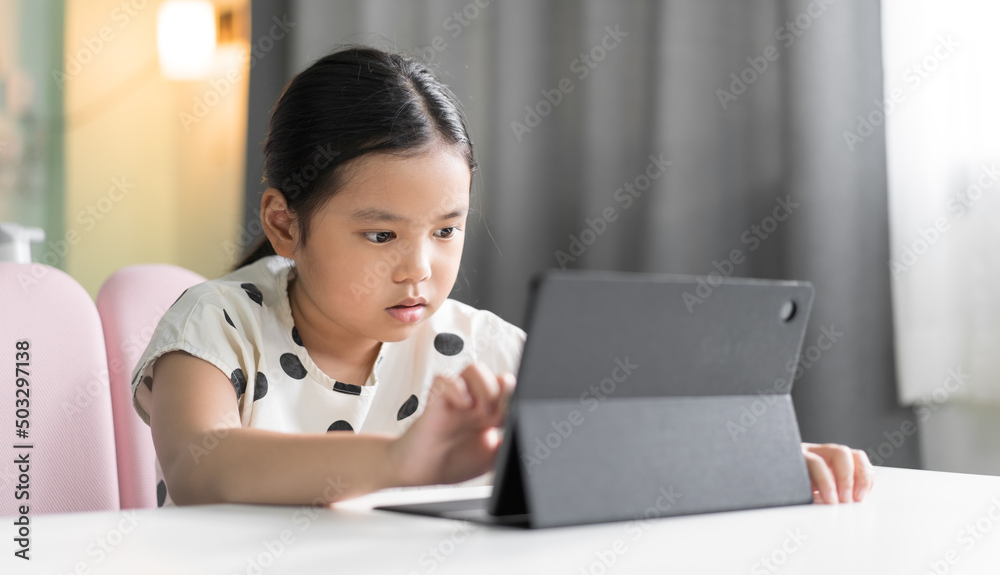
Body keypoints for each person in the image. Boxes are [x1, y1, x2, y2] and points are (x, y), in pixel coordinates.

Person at [131, 46, 873, 509]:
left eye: (446, 230)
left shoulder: (475, 346)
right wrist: (397, 461)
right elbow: (204, 465)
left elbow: (614, 437)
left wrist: (758, 459)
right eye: (381, 234)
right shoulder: (213, 325)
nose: (420, 267)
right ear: (284, 222)